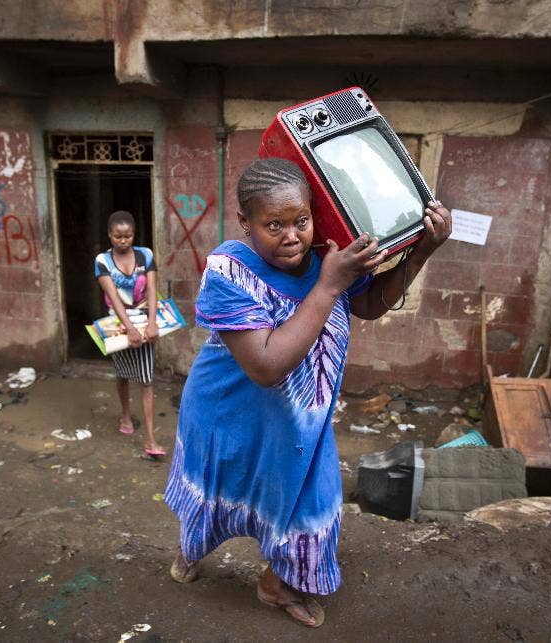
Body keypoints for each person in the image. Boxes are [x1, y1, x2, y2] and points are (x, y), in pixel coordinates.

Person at [164, 158, 452, 627]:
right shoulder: (228, 270)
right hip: (228, 415)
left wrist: (422, 252)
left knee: (309, 501)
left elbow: (367, 304)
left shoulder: (326, 258)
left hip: (299, 422)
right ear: (245, 223)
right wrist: (329, 284)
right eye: (272, 224)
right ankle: (192, 551)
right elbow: (266, 366)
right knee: (219, 489)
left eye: (300, 220)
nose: (290, 235)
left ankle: (276, 585)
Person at [95, 210, 166, 458]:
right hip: (116, 324)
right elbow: (113, 298)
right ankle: (125, 415)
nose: (123, 241)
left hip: (145, 322)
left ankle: (150, 439)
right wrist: (129, 328)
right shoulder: (102, 261)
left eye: (128, 236)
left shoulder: (145, 255)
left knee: (146, 379)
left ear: (134, 234)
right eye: (118, 236)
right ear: (109, 235)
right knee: (122, 373)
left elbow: (153, 288)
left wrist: (152, 323)